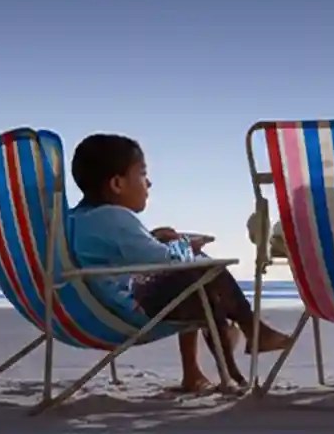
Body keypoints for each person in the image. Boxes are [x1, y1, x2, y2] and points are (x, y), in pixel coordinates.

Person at [68, 133, 290, 392]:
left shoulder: (78, 219)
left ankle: (204, 368)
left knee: (195, 280)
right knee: (201, 271)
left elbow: (120, 252)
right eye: (142, 174)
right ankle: (249, 333)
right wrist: (185, 243)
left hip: (92, 309)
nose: (148, 183)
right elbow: (168, 261)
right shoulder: (113, 218)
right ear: (117, 183)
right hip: (128, 308)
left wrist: (156, 239)